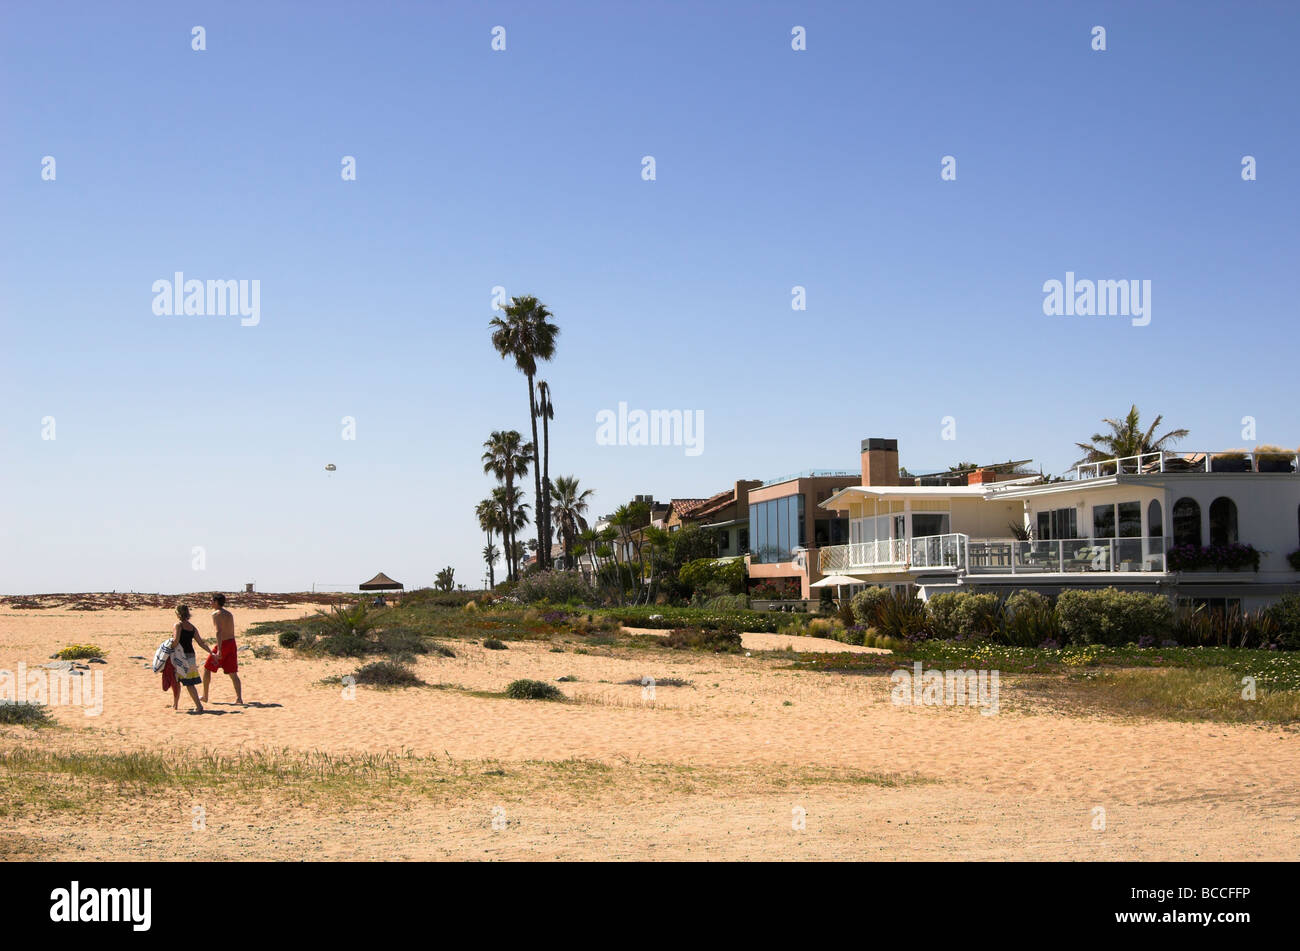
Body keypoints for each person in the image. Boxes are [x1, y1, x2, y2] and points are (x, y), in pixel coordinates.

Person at [202, 593, 243, 705]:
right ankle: (239, 698)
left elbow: (218, 632)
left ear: (216, 602)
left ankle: (205, 696)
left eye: (211, 601)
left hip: (223, 644)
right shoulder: (229, 614)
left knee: (207, 668)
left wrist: (219, 649)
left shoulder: (216, 614)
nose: (210, 602)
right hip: (232, 643)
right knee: (233, 672)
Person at [169, 603, 210, 713]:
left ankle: (198, 706)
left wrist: (168, 647)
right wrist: (210, 652)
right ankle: (175, 704)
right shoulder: (192, 627)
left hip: (180, 656)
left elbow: (176, 641)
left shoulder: (178, 625)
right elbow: (201, 642)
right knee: (187, 681)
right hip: (191, 655)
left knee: (181, 682)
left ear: (177, 613)